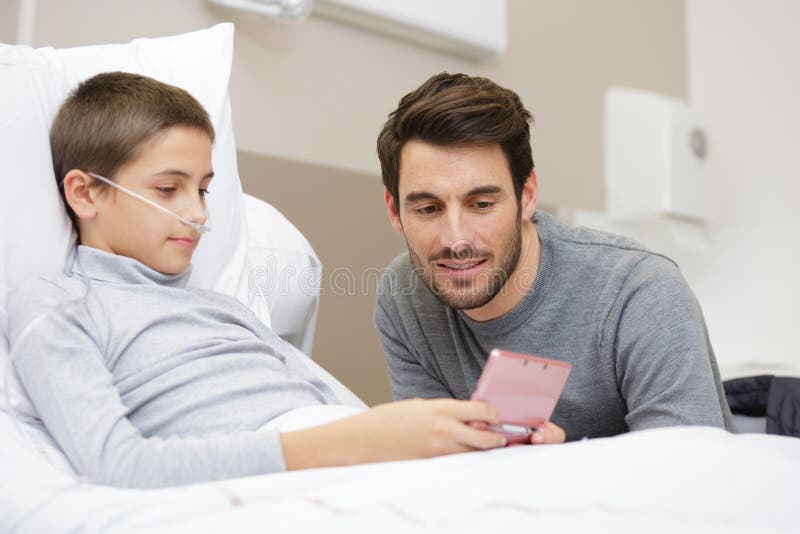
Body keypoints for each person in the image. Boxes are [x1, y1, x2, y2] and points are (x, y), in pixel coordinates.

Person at [6, 72, 509, 489]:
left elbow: (337, 407)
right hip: (295, 469)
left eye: (204, 190)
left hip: (349, 456)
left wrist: (441, 437)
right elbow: (117, 462)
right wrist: (352, 442)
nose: (198, 214)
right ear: (85, 193)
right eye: (168, 188)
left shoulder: (224, 308)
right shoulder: (60, 303)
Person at [374, 72, 735, 442]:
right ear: (394, 211)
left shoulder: (640, 292)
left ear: (528, 195)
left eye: (481, 204)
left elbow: (687, 468)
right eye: (428, 209)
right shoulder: (404, 297)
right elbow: (436, 462)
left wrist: (561, 464)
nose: (456, 240)